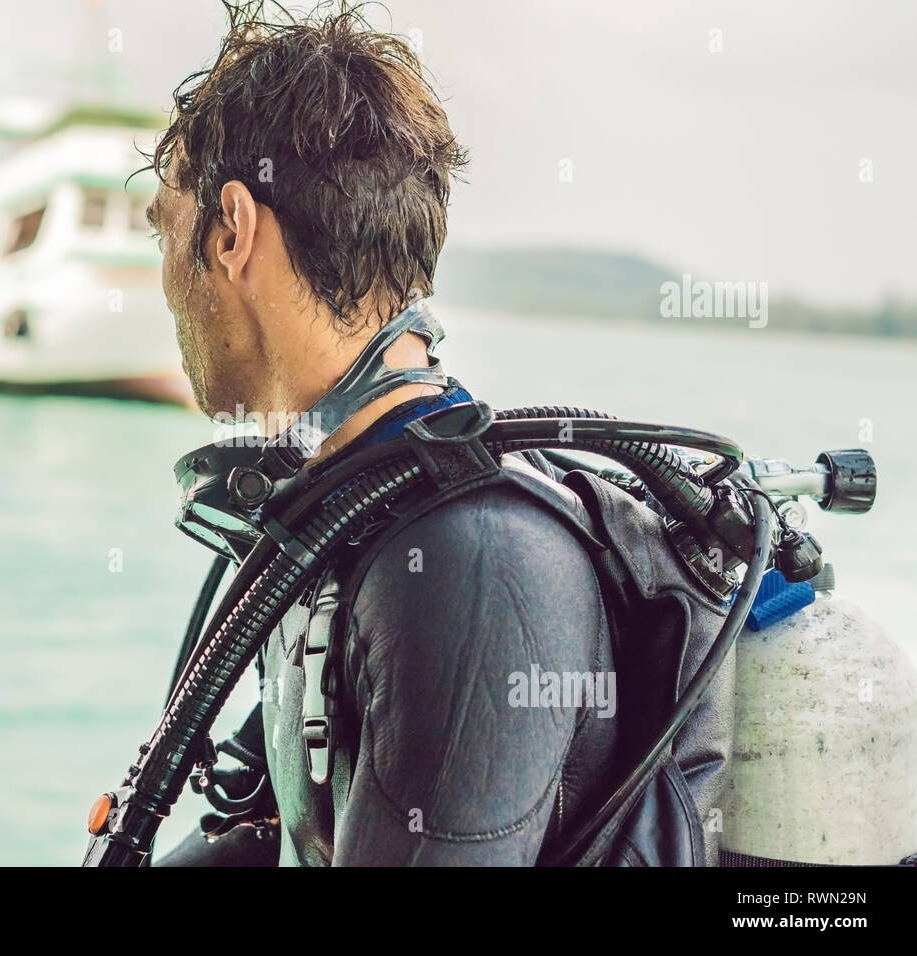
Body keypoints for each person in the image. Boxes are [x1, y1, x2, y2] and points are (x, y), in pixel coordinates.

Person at [143, 1, 618, 866]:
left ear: (232, 229)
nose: (164, 280)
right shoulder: (346, 512)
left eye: (163, 229)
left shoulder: (469, 563)